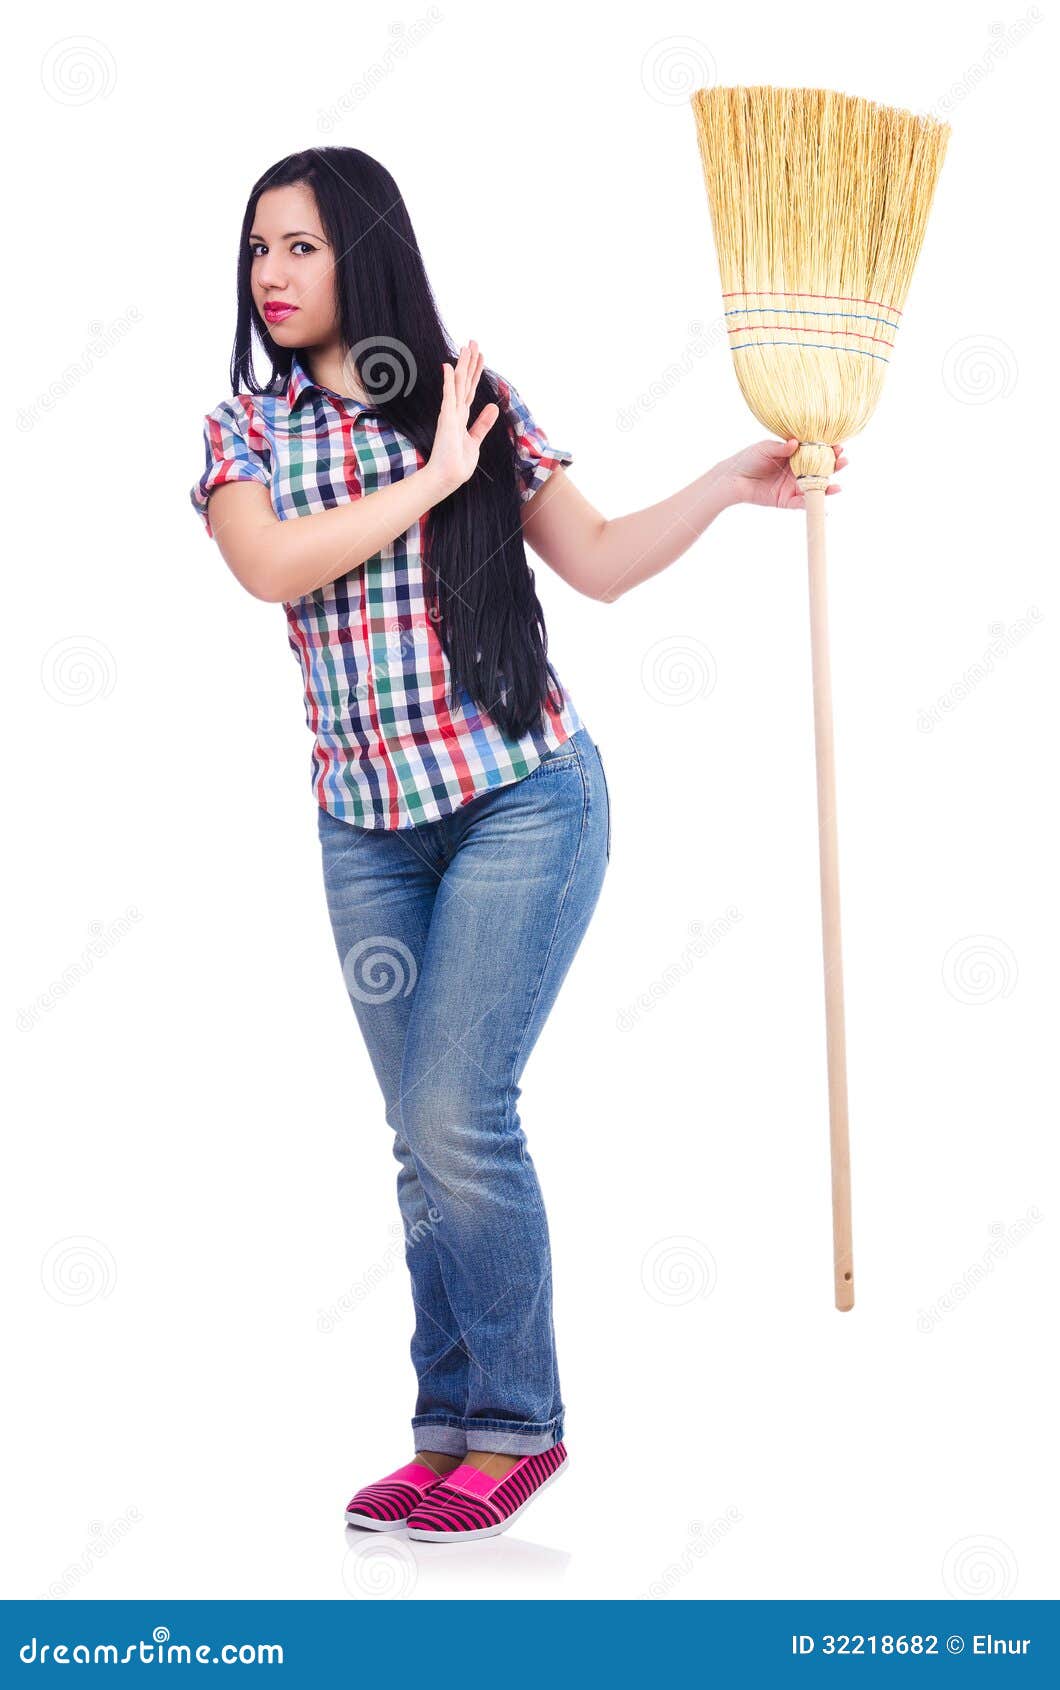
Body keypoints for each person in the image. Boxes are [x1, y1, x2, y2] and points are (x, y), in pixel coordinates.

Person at [190, 147, 846, 1543]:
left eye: (301, 246)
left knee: (454, 1112)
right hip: (365, 831)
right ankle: (445, 1427)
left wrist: (728, 483)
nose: (273, 275)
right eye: (258, 251)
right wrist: (430, 485)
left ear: (363, 251)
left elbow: (597, 560)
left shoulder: (468, 404)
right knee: (418, 1135)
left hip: (521, 803)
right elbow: (269, 569)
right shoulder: (244, 430)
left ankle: (518, 1425)